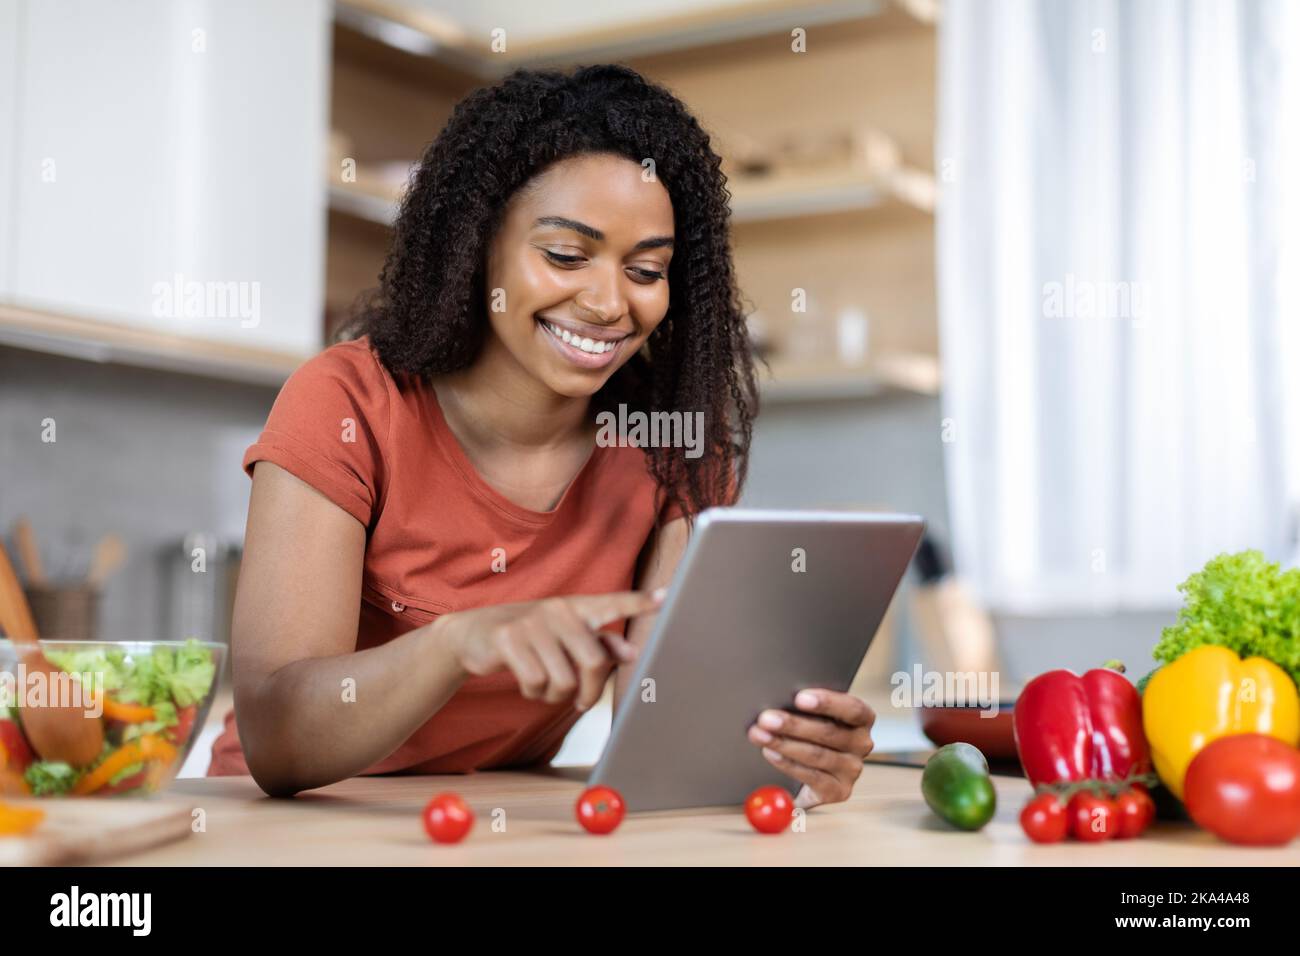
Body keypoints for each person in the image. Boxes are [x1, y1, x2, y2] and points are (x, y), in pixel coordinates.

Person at [209, 64, 876, 805]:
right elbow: (275, 736)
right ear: (477, 243)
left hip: (498, 825)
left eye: (646, 269)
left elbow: (662, 746)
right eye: (565, 256)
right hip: (294, 826)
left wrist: (793, 752)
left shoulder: (671, 441)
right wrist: (454, 643)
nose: (606, 302)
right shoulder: (348, 402)